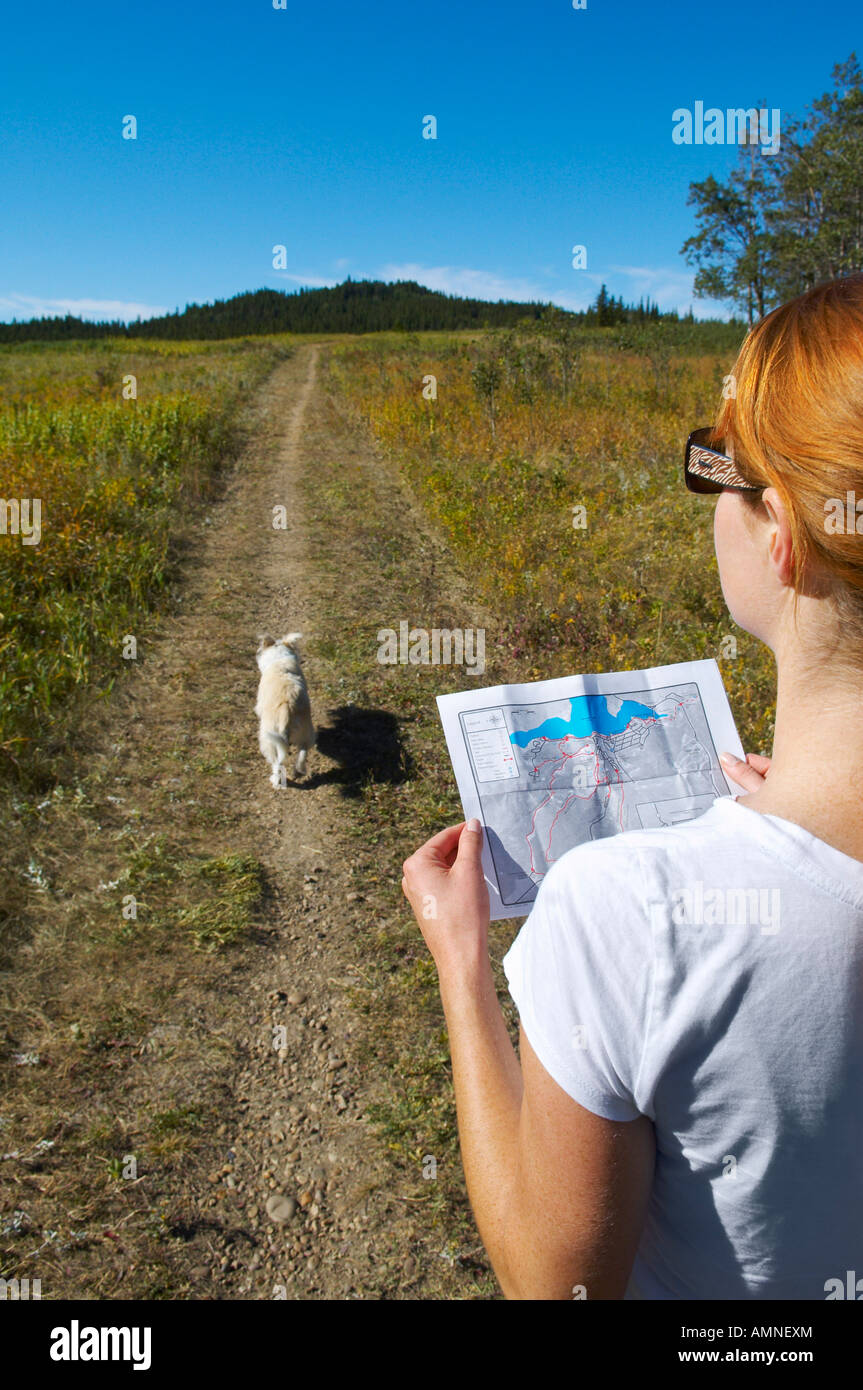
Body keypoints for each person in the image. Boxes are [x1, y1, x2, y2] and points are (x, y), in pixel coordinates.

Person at [401, 273, 863, 1300]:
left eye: (717, 470)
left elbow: (551, 1282)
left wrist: (462, 968)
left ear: (779, 531)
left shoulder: (627, 915)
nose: (706, 498)